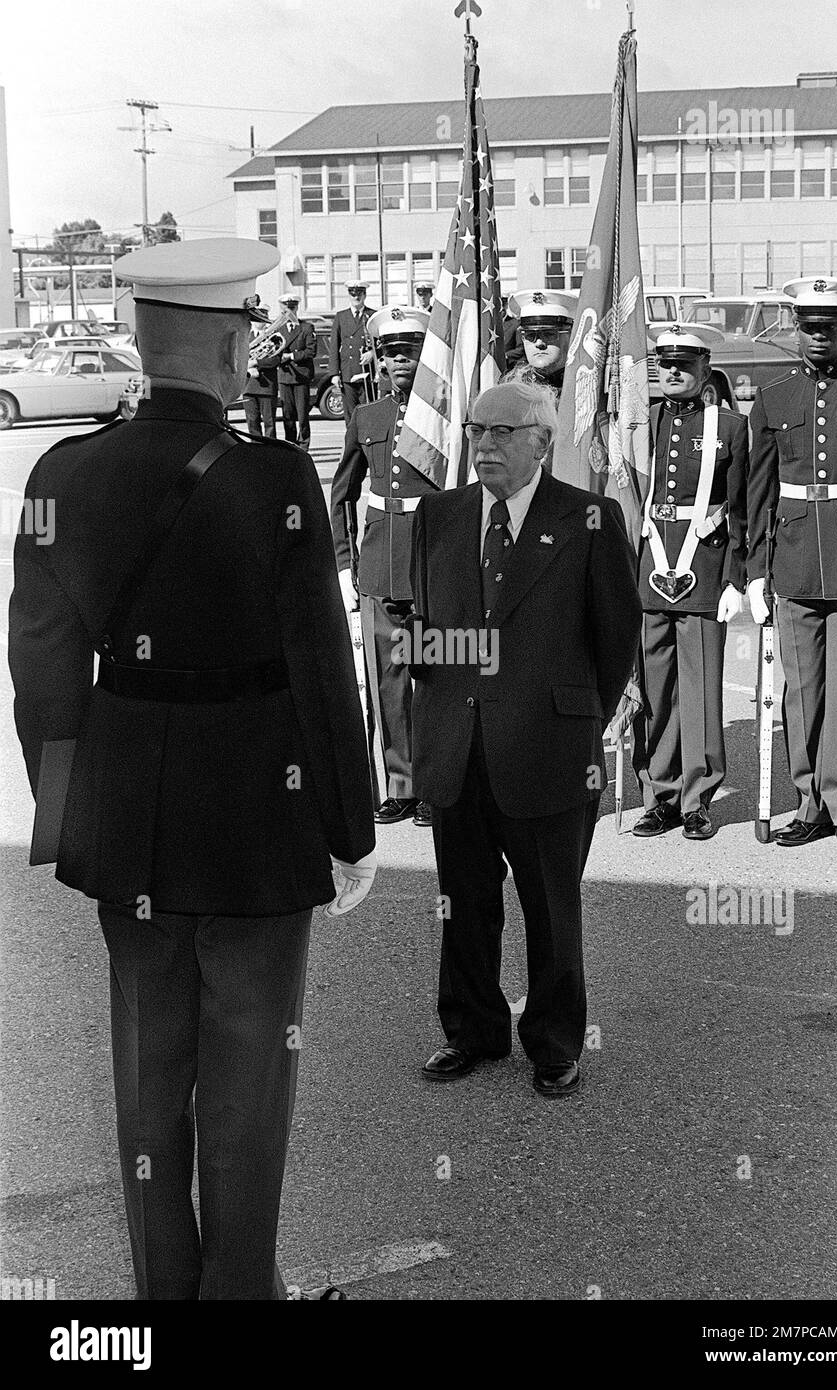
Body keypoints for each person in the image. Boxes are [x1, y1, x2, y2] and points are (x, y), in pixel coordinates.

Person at [8, 237, 377, 1300]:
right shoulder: (274, 476)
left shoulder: (61, 472)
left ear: (137, 338)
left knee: (146, 1074)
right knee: (248, 1083)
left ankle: (161, 1300)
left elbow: (38, 664)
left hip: (124, 821)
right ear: (229, 351)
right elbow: (318, 664)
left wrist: (72, 812)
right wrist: (347, 828)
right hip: (262, 815)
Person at [408, 380, 641, 1096]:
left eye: (502, 432)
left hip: (548, 748)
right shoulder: (439, 516)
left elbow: (615, 636)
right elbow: (426, 629)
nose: (484, 445)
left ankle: (554, 1042)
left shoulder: (588, 518)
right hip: (458, 743)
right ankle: (472, 1030)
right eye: (478, 431)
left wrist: (579, 722)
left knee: (551, 906)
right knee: (465, 902)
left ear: (541, 440)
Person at [748, 276, 837, 851]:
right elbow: (753, 493)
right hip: (795, 557)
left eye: (827, 328)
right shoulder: (773, 398)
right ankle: (809, 802)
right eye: (807, 328)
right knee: (801, 690)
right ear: (795, 330)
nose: (816, 337)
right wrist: (755, 570)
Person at [631, 326, 748, 841]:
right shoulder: (641, 424)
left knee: (699, 689)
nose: (672, 372)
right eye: (664, 362)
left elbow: (742, 508)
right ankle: (662, 792)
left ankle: (698, 797)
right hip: (650, 569)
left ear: (704, 367)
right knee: (656, 687)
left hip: (703, 566)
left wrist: (736, 577)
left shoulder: (730, 426)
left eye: (684, 362)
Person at [330, 305, 434, 828]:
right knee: (387, 682)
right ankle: (402, 785)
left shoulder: (444, 416)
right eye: (391, 352)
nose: (399, 361)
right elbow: (343, 491)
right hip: (377, 563)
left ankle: (437, 783)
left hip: (431, 565)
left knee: (436, 678)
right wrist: (346, 564)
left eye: (410, 351)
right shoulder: (366, 417)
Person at [501, 289, 578, 402]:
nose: (538, 343)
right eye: (530, 336)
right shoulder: (512, 390)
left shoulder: (582, 386)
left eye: (549, 334)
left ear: (570, 336)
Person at [330, 280, 376, 424]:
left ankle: (367, 445)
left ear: (365, 295)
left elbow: (380, 342)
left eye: (360, 294)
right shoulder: (341, 316)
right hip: (348, 372)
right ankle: (352, 445)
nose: (356, 297)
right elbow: (334, 346)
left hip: (367, 372)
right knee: (350, 415)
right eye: (353, 294)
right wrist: (334, 374)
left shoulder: (372, 315)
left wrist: (373, 354)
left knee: (367, 411)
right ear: (349, 295)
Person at [276, 292, 317, 448]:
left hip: (300, 376)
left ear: (297, 308)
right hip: (285, 376)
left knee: (302, 415)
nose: (289, 312)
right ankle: (290, 443)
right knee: (287, 414)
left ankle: (304, 445)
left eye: (292, 308)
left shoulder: (306, 327)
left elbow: (310, 351)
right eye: (286, 309)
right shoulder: (278, 328)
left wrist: (291, 356)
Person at [243, 305, 280, 439]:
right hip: (249, 386)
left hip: (267, 387)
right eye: (257, 319)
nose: (259, 322)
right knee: (252, 422)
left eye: (262, 319)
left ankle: (270, 450)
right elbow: (237, 356)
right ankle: (256, 449)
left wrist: (256, 363)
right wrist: (248, 367)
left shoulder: (273, 338)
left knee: (269, 423)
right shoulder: (245, 336)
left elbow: (275, 359)